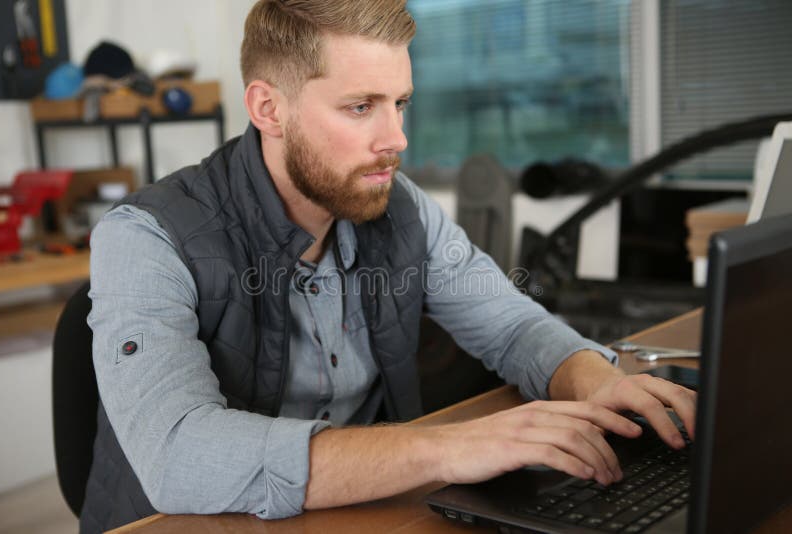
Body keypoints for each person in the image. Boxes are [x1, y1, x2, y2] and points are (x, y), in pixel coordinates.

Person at [80, 1, 696, 532]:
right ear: (269, 109)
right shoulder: (143, 237)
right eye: (360, 107)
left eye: (400, 102)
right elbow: (178, 454)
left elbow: (511, 325)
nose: (397, 138)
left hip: (353, 513)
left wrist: (595, 380)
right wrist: (443, 449)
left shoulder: (402, 209)